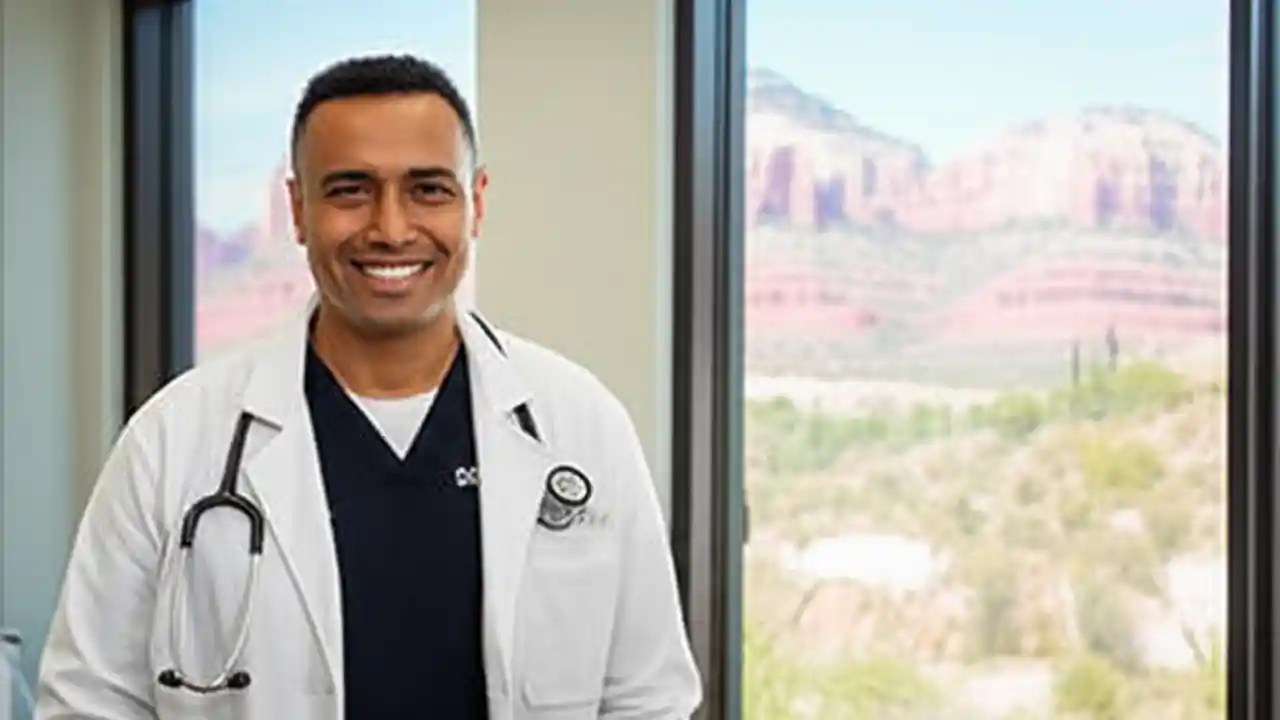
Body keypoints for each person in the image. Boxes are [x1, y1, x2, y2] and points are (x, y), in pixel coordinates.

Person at [35, 54, 701, 719]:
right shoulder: (173, 439)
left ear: (476, 203)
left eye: (428, 189)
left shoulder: (582, 424)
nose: (390, 229)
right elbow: (89, 702)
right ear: (298, 209)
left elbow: (650, 698)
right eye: (351, 190)